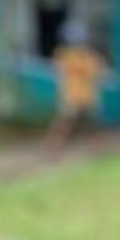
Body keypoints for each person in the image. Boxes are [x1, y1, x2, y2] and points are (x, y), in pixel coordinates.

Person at [43, 19, 105, 149]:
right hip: (70, 94)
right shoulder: (64, 54)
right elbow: (59, 68)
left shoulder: (87, 55)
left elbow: (97, 71)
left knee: (92, 122)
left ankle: (97, 146)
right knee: (65, 122)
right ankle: (52, 146)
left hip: (87, 94)